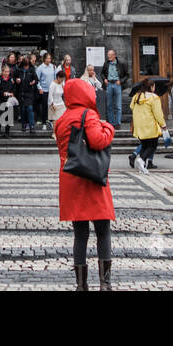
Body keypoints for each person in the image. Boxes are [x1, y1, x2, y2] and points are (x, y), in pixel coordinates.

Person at [54, 77, 116, 290]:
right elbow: (98, 141)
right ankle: (105, 283)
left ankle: (81, 284)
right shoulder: (88, 115)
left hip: (71, 179)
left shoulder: (61, 119)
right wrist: (108, 127)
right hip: (92, 178)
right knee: (103, 230)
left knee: (80, 234)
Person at [128, 78, 165, 175]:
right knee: (153, 145)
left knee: (144, 145)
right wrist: (163, 124)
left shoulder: (136, 96)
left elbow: (131, 107)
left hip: (139, 125)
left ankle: (142, 166)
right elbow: (158, 113)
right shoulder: (154, 98)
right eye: (154, 86)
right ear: (151, 87)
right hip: (150, 125)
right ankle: (142, 159)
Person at [101, 49, 126, 129]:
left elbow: (127, 75)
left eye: (110, 55)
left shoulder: (120, 64)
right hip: (109, 85)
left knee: (118, 105)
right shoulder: (106, 64)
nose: (108, 57)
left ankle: (118, 123)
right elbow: (102, 73)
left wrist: (120, 81)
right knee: (109, 105)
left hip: (117, 85)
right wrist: (104, 79)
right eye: (108, 55)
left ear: (114, 55)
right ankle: (111, 123)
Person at [15, 54, 39, 134]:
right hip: (21, 93)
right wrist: (17, 80)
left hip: (29, 92)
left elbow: (36, 80)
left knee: (29, 108)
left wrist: (33, 82)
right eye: (25, 66)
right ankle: (24, 124)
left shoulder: (31, 70)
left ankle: (32, 126)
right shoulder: (18, 70)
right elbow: (14, 79)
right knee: (23, 109)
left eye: (27, 66)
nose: (26, 67)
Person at [0, 60, 17, 136]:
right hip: (0, 100)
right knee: (2, 114)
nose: (7, 73)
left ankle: (7, 132)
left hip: (9, 100)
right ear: (2, 72)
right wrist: (3, 93)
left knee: (9, 115)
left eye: (8, 72)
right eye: (5, 72)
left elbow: (14, 89)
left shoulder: (11, 80)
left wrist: (12, 93)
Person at [36, 52, 57, 127]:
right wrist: (40, 88)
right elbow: (37, 79)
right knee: (44, 106)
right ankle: (44, 122)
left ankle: (50, 121)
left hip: (51, 90)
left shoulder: (53, 67)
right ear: (44, 59)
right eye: (47, 58)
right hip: (44, 90)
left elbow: (55, 78)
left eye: (50, 58)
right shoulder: (40, 68)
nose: (49, 60)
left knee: (51, 106)